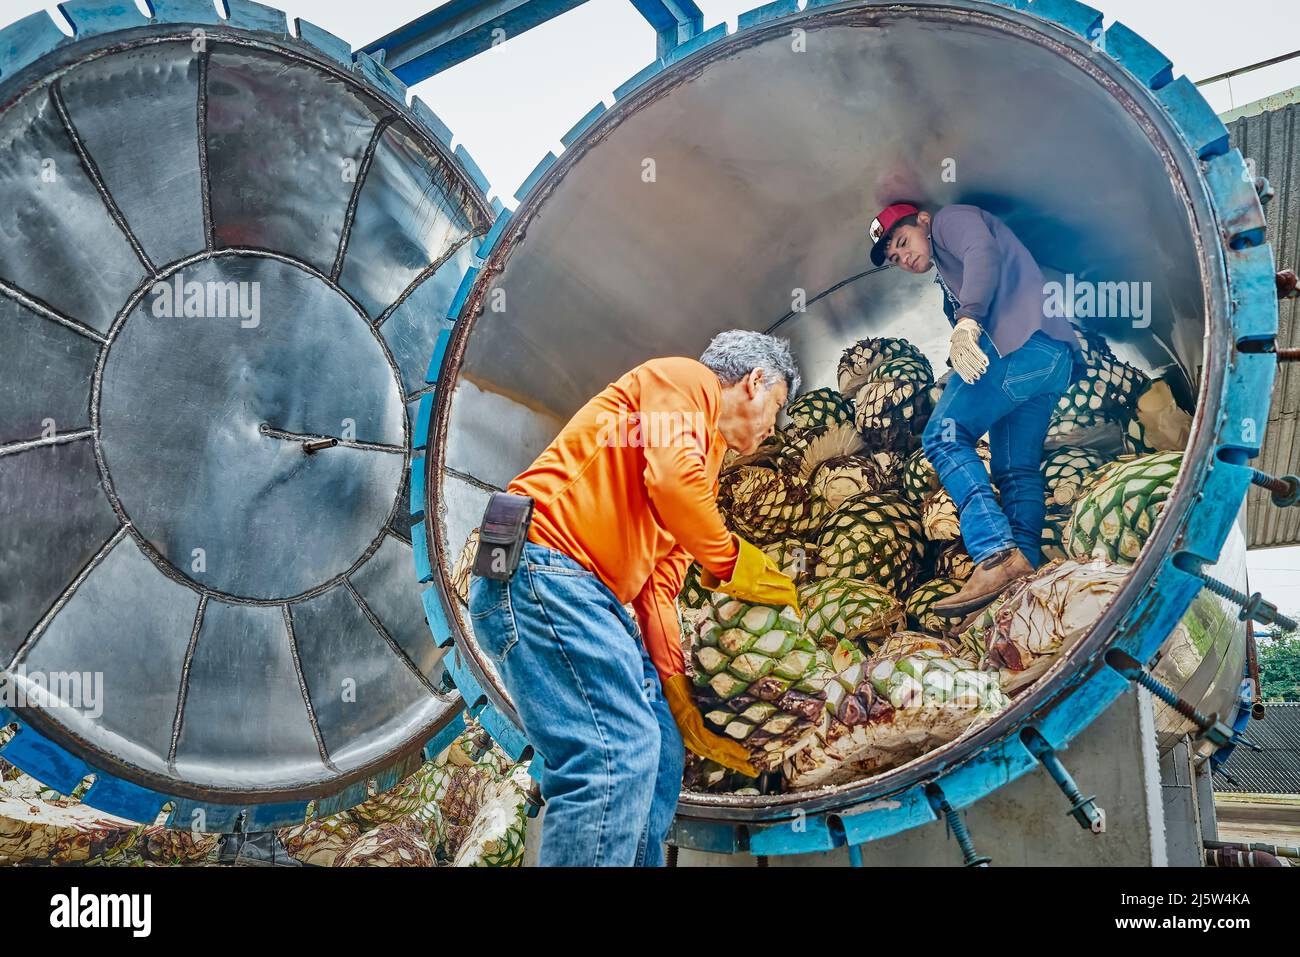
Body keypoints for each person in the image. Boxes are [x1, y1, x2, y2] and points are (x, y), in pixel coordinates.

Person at [468, 330, 802, 866]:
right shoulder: (683, 380)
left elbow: (658, 590)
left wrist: (677, 692)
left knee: (662, 751)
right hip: (542, 568)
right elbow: (672, 483)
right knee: (612, 756)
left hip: (589, 595)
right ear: (754, 382)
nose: (774, 427)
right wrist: (735, 563)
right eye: (778, 407)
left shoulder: (704, 465)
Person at [868, 202, 1085, 618]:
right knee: (1015, 470)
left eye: (902, 241)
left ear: (923, 221)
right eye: (895, 258)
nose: (904, 257)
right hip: (1050, 362)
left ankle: (994, 554)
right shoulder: (945, 276)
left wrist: (967, 323)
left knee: (943, 437)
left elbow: (982, 253)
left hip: (1020, 346)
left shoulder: (950, 220)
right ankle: (1023, 576)